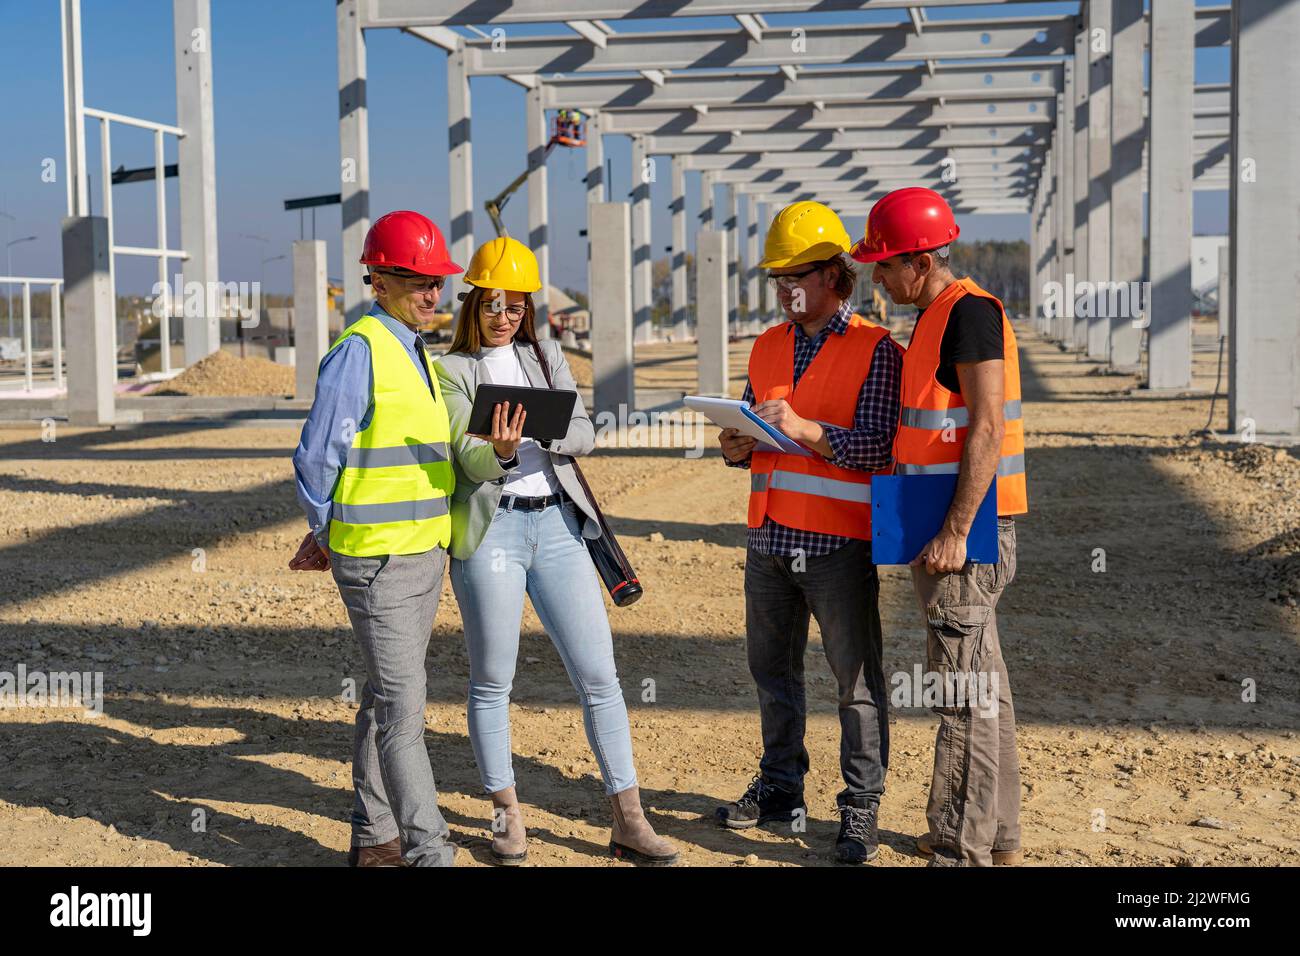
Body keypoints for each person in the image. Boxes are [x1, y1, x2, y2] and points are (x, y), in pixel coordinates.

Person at [434, 236, 678, 867]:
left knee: (600, 677)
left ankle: (629, 817)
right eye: (492, 303)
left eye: (515, 306)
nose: (503, 316)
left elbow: (584, 434)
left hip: (560, 529)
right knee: (493, 681)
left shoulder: (545, 358)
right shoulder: (453, 369)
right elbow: (468, 457)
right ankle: (506, 815)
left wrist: (539, 428)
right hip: (494, 534)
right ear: (472, 303)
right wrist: (506, 451)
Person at [715, 201, 902, 864]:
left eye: (796, 275)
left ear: (834, 277)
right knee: (771, 672)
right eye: (776, 278)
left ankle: (859, 807)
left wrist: (807, 431)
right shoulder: (766, 345)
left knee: (854, 683)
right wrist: (737, 446)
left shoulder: (878, 351)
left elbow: (881, 449)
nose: (784, 289)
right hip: (768, 537)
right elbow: (759, 437)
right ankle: (779, 789)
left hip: (838, 545)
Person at [853, 186, 1028, 867]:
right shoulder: (932, 318)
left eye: (885, 263)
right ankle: (998, 834)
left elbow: (985, 426)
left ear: (920, 261)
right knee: (985, 689)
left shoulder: (970, 314)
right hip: (943, 528)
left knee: (961, 693)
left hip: (966, 533)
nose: (877, 275)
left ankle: (961, 845)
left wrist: (955, 531)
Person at [288, 210, 461, 867]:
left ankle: (374, 839)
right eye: (418, 281)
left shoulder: (415, 349)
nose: (431, 293)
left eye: (436, 282)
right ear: (379, 279)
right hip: (379, 560)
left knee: (387, 698)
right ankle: (428, 850)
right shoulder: (359, 350)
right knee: (404, 714)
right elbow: (314, 460)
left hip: (421, 553)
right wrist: (328, 533)